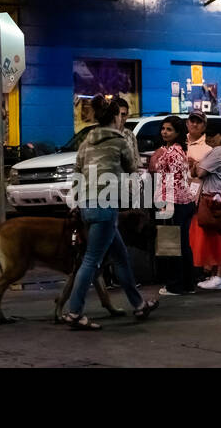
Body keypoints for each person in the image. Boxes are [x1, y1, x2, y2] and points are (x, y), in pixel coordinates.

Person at [62, 94, 158, 330]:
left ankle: (138, 305)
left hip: (87, 205)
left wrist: (77, 200)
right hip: (106, 206)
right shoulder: (119, 141)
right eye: (120, 115)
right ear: (115, 117)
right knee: (91, 261)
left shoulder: (85, 143)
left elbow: (76, 172)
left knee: (121, 257)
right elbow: (130, 168)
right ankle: (74, 312)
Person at [149, 115, 196, 295]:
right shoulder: (171, 150)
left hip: (174, 203)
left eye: (169, 129)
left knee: (172, 245)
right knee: (182, 244)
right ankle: (187, 284)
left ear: (177, 133)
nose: (165, 132)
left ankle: (175, 285)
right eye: (163, 129)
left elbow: (170, 179)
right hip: (181, 202)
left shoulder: (172, 153)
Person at [189, 121, 221, 290]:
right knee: (216, 239)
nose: (209, 138)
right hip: (216, 199)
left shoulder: (219, 151)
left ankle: (220, 277)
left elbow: (199, 172)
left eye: (213, 135)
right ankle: (216, 276)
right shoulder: (217, 151)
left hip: (217, 201)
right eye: (207, 135)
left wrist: (196, 164)